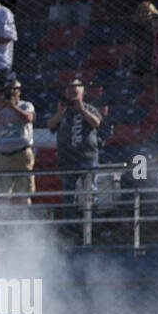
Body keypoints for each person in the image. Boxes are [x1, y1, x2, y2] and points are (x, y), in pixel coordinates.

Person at [46, 76, 102, 218]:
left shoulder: (89, 108)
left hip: (87, 157)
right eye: (69, 93)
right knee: (68, 193)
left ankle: (91, 223)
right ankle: (69, 225)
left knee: (90, 191)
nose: (72, 97)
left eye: (75, 93)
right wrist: (60, 113)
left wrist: (81, 108)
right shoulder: (62, 111)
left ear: (82, 93)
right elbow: (50, 125)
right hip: (67, 158)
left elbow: (96, 123)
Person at [0, 76, 34, 206]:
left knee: (24, 192)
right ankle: (4, 222)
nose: (11, 92)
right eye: (8, 89)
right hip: (3, 155)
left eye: (14, 89)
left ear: (19, 91)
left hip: (21, 153)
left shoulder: (26, 105)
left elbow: (28, 118)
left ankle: (26, 219)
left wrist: (12, 107)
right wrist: (2, 106)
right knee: (2, 193)